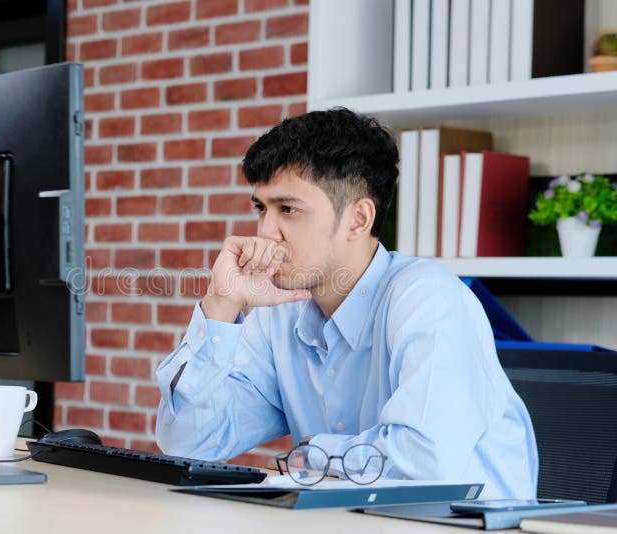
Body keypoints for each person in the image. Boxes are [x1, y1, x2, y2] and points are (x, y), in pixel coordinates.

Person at [154, 107, 538, 499]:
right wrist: (221, 305)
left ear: (358, 219)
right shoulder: (281, 315)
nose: (266, 232)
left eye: (287, 209)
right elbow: (188, 443)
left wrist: (311, 454)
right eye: (261, 208)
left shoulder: (429, 298)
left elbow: (424, 466)